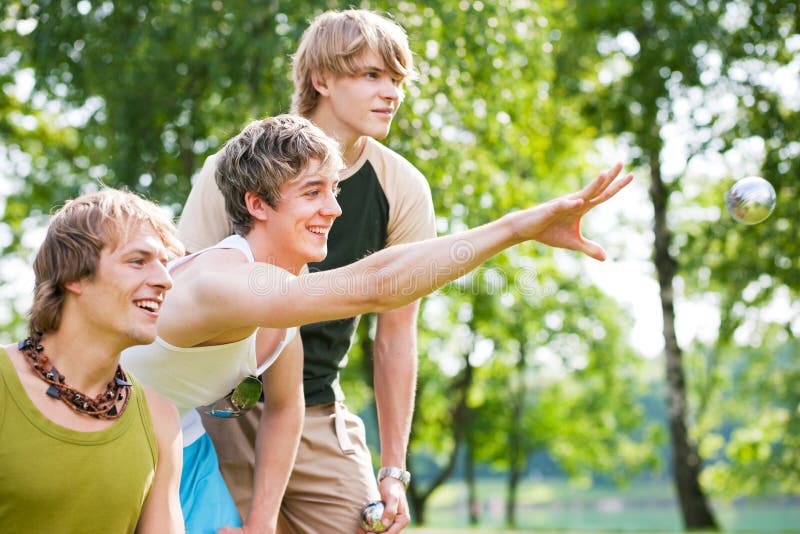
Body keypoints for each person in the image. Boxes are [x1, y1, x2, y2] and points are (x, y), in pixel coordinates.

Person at [129, 112, 632, 534]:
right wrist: (518, 227)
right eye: (312, 193)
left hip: (179, 439)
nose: (334, 208)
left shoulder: (281, 292)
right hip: (105, 426)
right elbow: (376, 283)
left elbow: (285, 407)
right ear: (257, 205)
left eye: (334, 189)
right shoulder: (226, 281)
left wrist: (260, 526)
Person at [179, 9, 436, 533]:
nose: (391, 93)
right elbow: (175, 295)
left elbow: (396, 338)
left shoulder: (403, 188)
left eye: (396, 80)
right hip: (214, 410)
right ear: (321, 79)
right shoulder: (234, 168)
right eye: (371, 76)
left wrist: (393, 469)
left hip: (315, 409)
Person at [0, 189, 185, 533]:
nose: (165, 279)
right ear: (73, 274)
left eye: (163, 262)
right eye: (138, 261)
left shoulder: (159, 420)